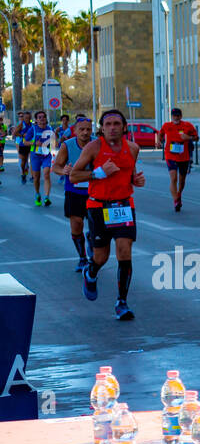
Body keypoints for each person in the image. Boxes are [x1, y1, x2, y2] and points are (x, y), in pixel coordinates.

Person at [70, 108, 146, 321]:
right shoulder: (94, 148)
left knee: (124, 250)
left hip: (123, 206)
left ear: (124, 127)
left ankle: (121, 302)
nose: (112, 128)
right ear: (101, 129)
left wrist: (136, 180)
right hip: (98, 207)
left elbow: (129, 174)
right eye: (108, 124)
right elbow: (74, 176)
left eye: (116, 124)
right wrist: (98, 173)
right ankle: (90, 272)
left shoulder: (132, 148)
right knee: (101, 257)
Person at [53, 116, 94, 274]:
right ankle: (82, 257)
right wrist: (63, 171)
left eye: (88, 129)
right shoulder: (67, 145)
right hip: (74, 190)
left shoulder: (97, 143)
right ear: (75, 131)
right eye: (81, 129)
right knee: (77, 224)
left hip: (94, 191)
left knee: (95, 225)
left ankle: (91, 239)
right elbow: (56, 166)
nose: (85, 132)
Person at [159, 107, 198, 211]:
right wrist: (158, 141)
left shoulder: (188, 126)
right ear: (171, 117)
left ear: (181, 116)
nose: (175, 118)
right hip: (170, 155)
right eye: (174, 116)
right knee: (173, 178)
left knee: (182, 180)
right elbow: (161, 133)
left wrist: (188, 138)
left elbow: (196, 137)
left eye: (177, 116)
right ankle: (176, 200)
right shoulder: (167, 125)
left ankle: (179, 194)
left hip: (184, 156)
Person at [29, 109, 56, 206]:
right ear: (36, 120)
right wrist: (35, 143)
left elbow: (53, 143)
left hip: (46, 155)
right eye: (39, 117)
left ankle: (47, 197)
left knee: (46, 174)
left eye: (43, 117)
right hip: (35, 156)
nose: (42, 119)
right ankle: (37, 193)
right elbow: (24, 142)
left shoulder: (50, 129)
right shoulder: (33, 129)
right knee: (36, 177)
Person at [16, 111, 33, 184]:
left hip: (31, 145)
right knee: (23, 161)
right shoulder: (21, 125)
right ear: (24, 118)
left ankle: (33, 176)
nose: (27, 119)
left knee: (32, 161)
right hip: (23, 145)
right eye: (26, 118)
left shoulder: (33, 125)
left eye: (29, 118)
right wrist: (23, 135)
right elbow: (15, 133)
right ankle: (23, 174)